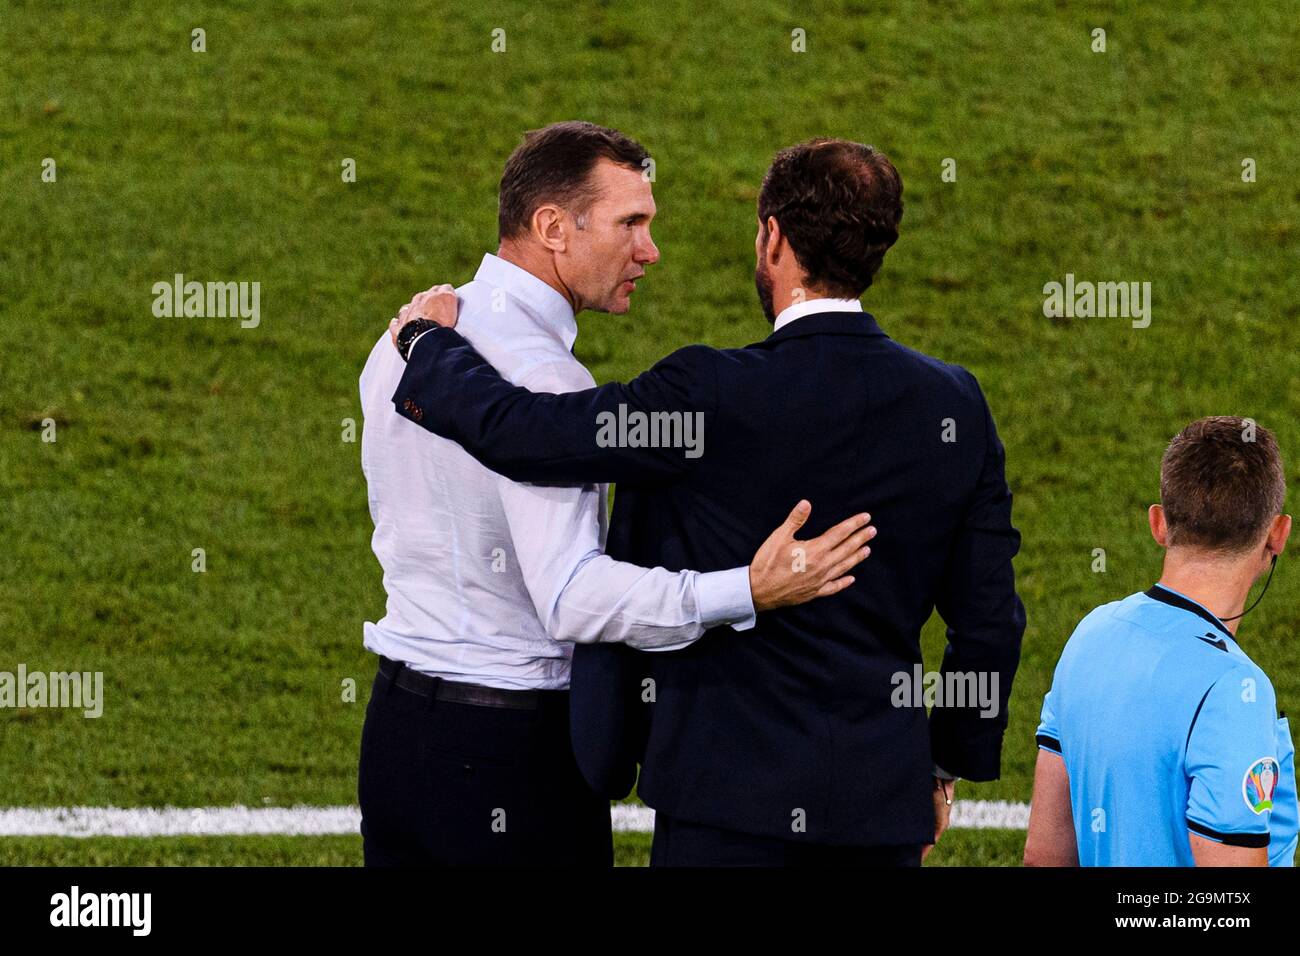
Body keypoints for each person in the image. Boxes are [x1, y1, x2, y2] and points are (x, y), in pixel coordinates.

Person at [389, 138, 1025, 866]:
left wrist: (428, 347)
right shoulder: (955, 406)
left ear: (773, 236)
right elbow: (989, 622)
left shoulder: (706, 397)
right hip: (878, 809)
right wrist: (944, 763)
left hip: (718, 807)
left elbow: (526, 436)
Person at [1025, 416, 1298, 866]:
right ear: (1278, 535)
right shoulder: (1234, 689)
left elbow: (1044, 856)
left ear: (1159, 524)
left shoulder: (1089, 635)